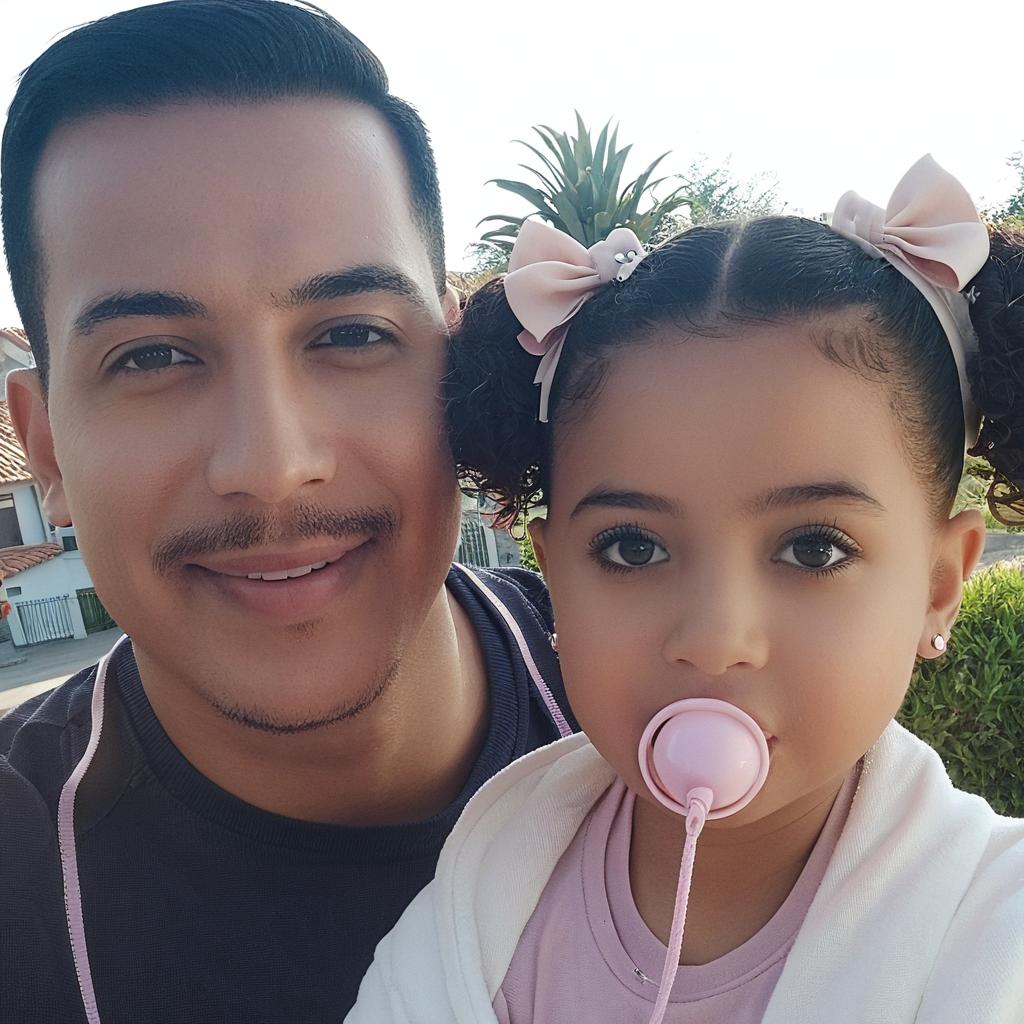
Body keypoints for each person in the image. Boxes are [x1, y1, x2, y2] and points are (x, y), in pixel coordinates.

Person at [347, 156, 1024, 1023]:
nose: (714, 636)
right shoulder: (475, 900)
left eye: (813, 550)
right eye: (632, 548)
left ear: (938, 584)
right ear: (552, 576)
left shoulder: (990, 938)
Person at [0, 3, 573, 1021]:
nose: (271, 467)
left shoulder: (690, 698)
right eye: (151, 356)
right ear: (43, 444)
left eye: (350, 333)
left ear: (455, 363)